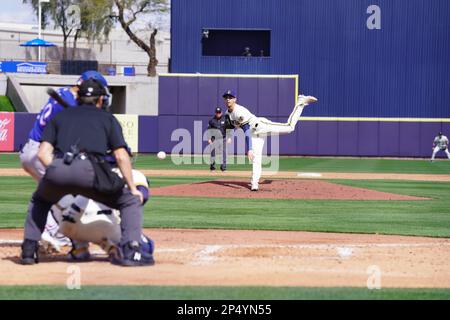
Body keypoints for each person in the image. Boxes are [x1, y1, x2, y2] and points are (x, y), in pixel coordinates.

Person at [20, 78, 154, 267]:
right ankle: (131, 251)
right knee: (129, 200)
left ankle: (28, 250)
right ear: (100, 100)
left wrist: (58, 171)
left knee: (40, 201)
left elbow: (43, 153)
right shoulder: (107, 118)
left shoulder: (60, 117)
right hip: (90, 169)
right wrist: (132, 188)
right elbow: (122, 156)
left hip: (59, 166)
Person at [19, 70, 111, 251]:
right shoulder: (73, 103)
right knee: (63, 193)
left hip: (33, 150)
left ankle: (54, 231)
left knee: (53, 194)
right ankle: (55, 232)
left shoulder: (63, 93)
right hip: (41, 151)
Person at [223, 90, 317, 191]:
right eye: (226, 97)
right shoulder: (227, 114)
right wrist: (229, 136)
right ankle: (254, 183)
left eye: (230, 97)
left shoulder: (239, 111)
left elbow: (246, 131)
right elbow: (230, 126)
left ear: (235, 99)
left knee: (290, 127)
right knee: (256, 158)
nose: (228, 99)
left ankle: (300, 102)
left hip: (261, 126)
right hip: (254, 135)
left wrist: (249, 148)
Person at [207, 107, 231, 171]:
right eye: (217, 112)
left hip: (223, 138)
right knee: (213, 153)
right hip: (214, 139)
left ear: (221, 112)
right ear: (215, 113)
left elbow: (228, 129)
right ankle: (212, 168)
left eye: (219, 112)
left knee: (224, 153)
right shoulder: (212, 120)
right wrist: (209, 138)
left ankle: (223, 168)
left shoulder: (225, 119)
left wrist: (229, 137)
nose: (218, 114)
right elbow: (209, 130)